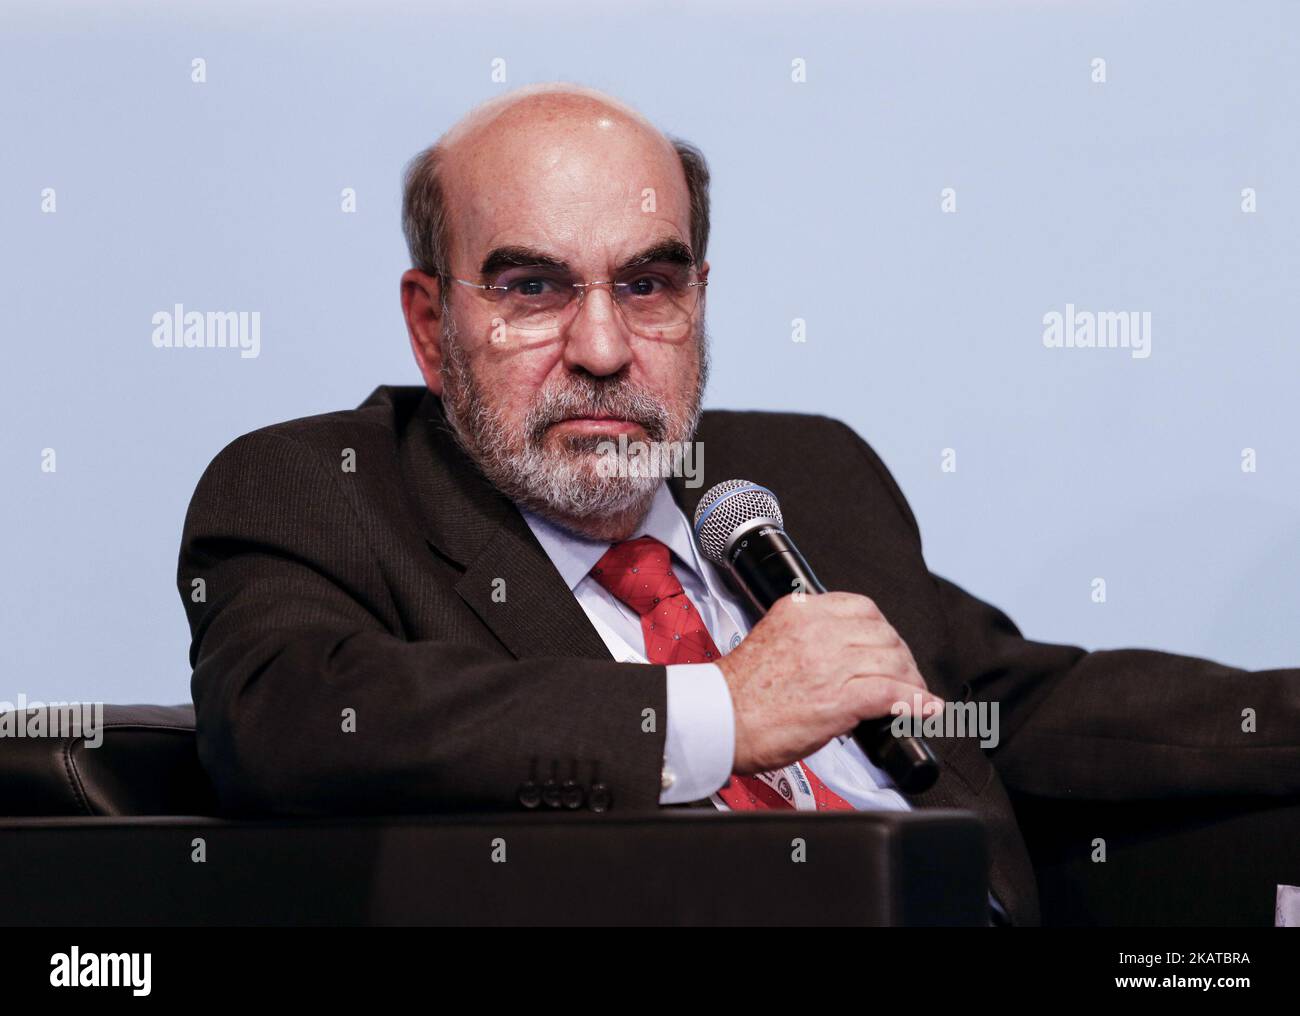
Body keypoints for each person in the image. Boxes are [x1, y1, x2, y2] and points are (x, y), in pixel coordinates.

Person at [177, 84, 1300, 927]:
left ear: (698, 298)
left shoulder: (798, 476)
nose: (605, 348)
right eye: (532, 289)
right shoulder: (321, 493)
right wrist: (715, 710)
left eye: (648, 284)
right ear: (431, 325)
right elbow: (291, 718)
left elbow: (1011, 702)